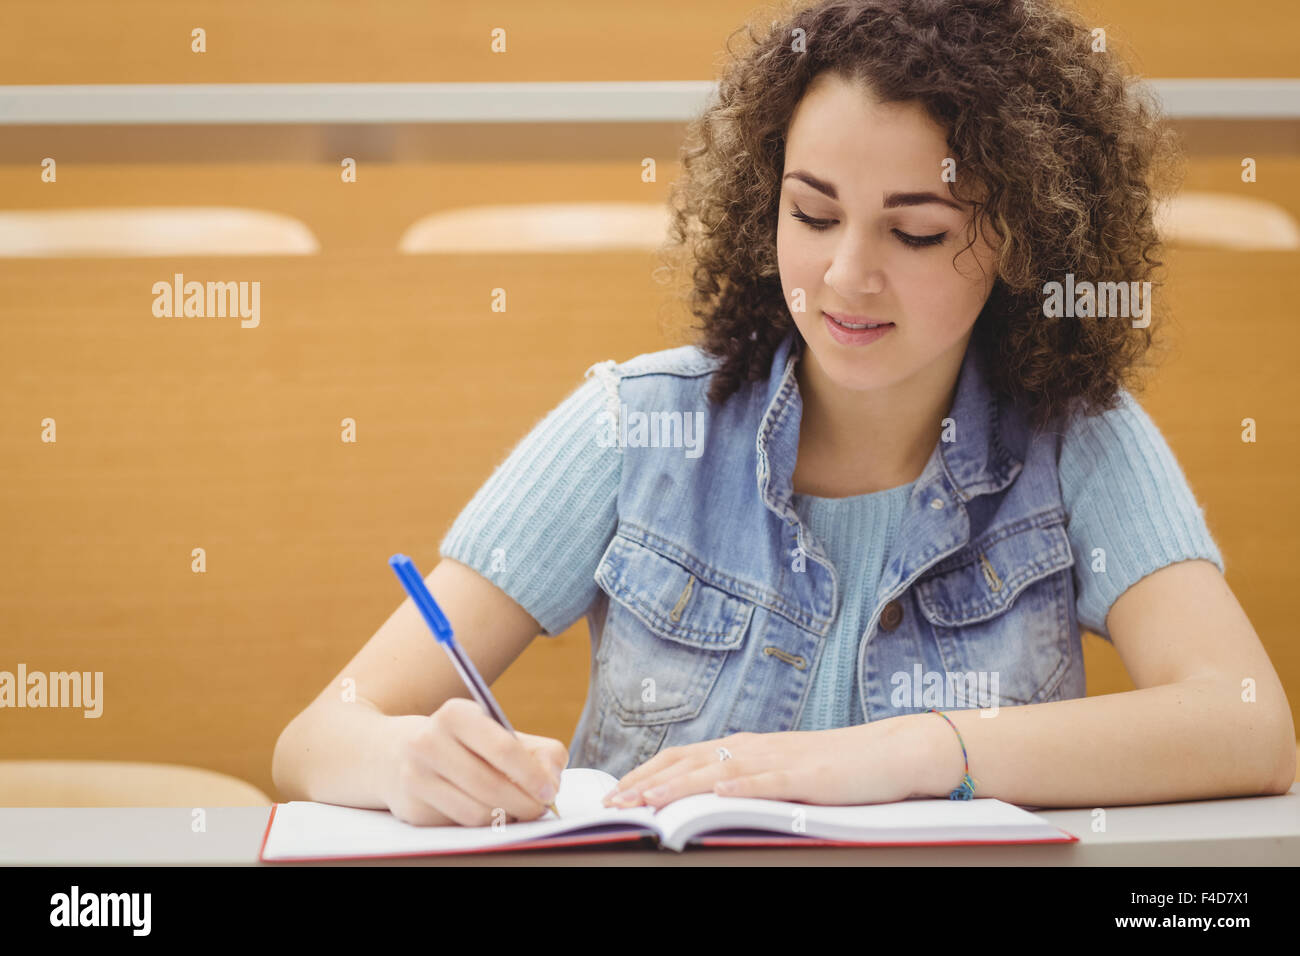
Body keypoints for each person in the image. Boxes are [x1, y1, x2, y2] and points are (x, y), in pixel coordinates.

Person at [272, 0, 1295, 826]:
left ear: (1024, 239)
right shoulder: (635, 423)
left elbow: (1246, 726)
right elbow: (315, 738)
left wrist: (903, 752)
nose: (846, 276)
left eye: (919, 232)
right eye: (811, 213)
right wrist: (406, 757)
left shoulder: (1075, 438)